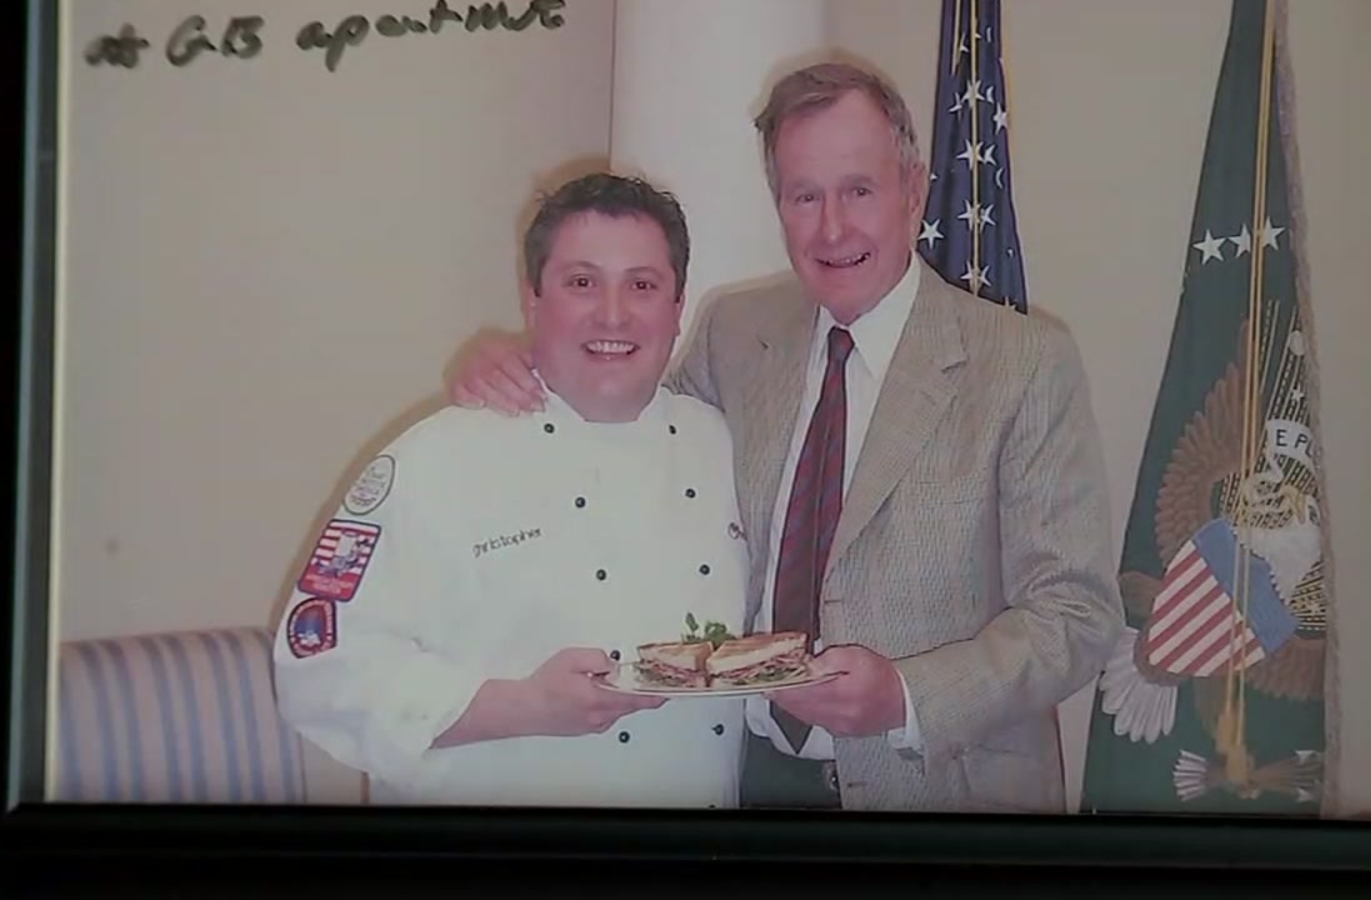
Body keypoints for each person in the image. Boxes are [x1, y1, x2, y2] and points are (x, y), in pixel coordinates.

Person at [447, 63, 1123, 813]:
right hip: (752, 780)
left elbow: (1077, 613)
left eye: (858, 191)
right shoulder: (735, 333)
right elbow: (627, 433)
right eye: (805, 196)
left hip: (940, 791)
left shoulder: (1024, 364)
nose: (832, 228)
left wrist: (907, 697)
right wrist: (527, 361)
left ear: (913, 189)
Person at [273, 173, 750, 809]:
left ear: (677, 306)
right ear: (532, 300)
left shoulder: (724, 445)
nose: (613, 314)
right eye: (581, 283)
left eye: (642, 285)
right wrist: (522, 706)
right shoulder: (436, 458)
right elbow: (316, 662)